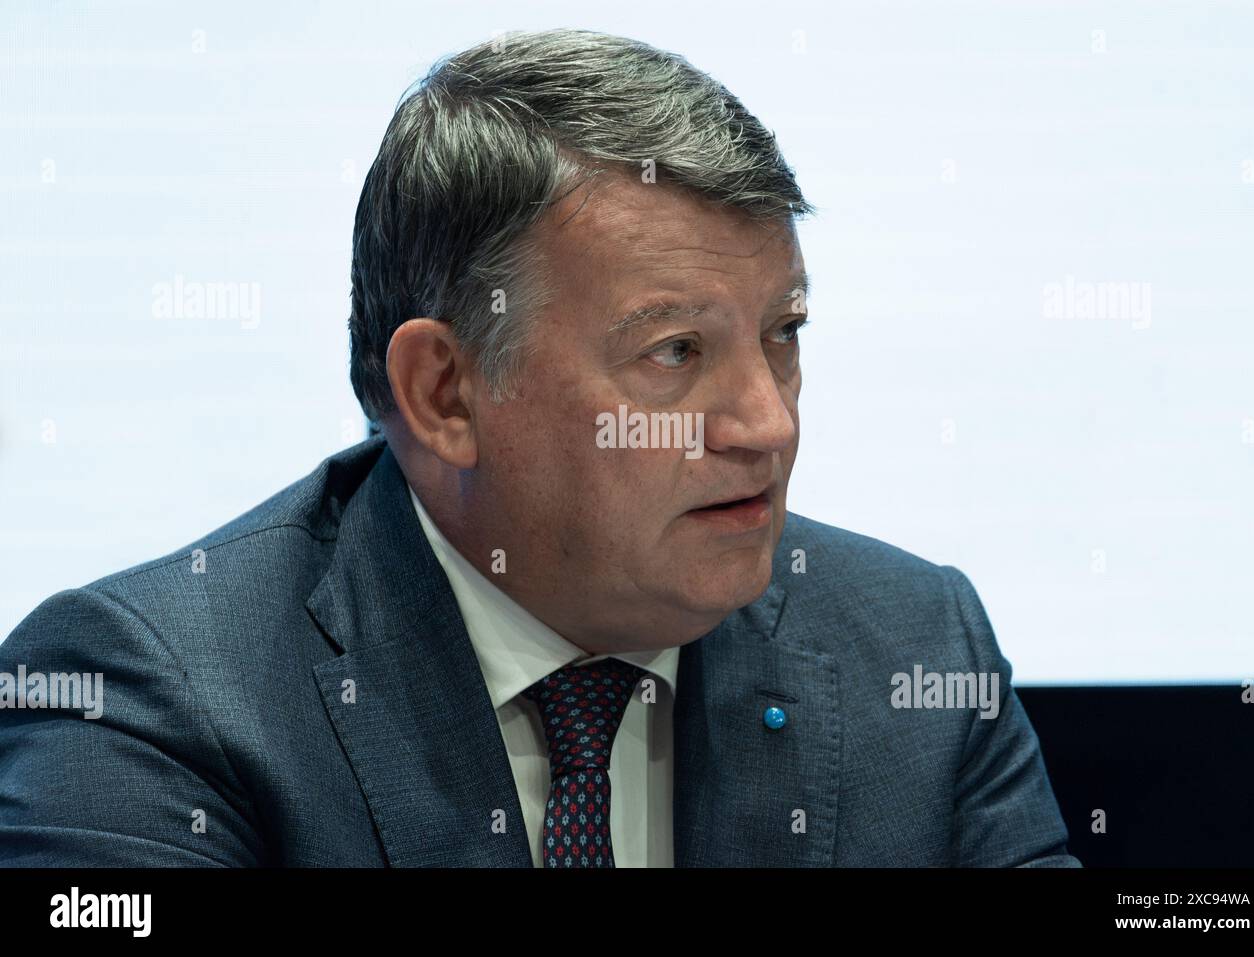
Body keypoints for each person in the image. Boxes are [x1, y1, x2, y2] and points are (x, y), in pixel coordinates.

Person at [0, 28, 1078, 867]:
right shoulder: (152, 702)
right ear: (445, 391)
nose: (767, 424)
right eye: (674, 352)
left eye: (782, 335)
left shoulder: (913, 647)